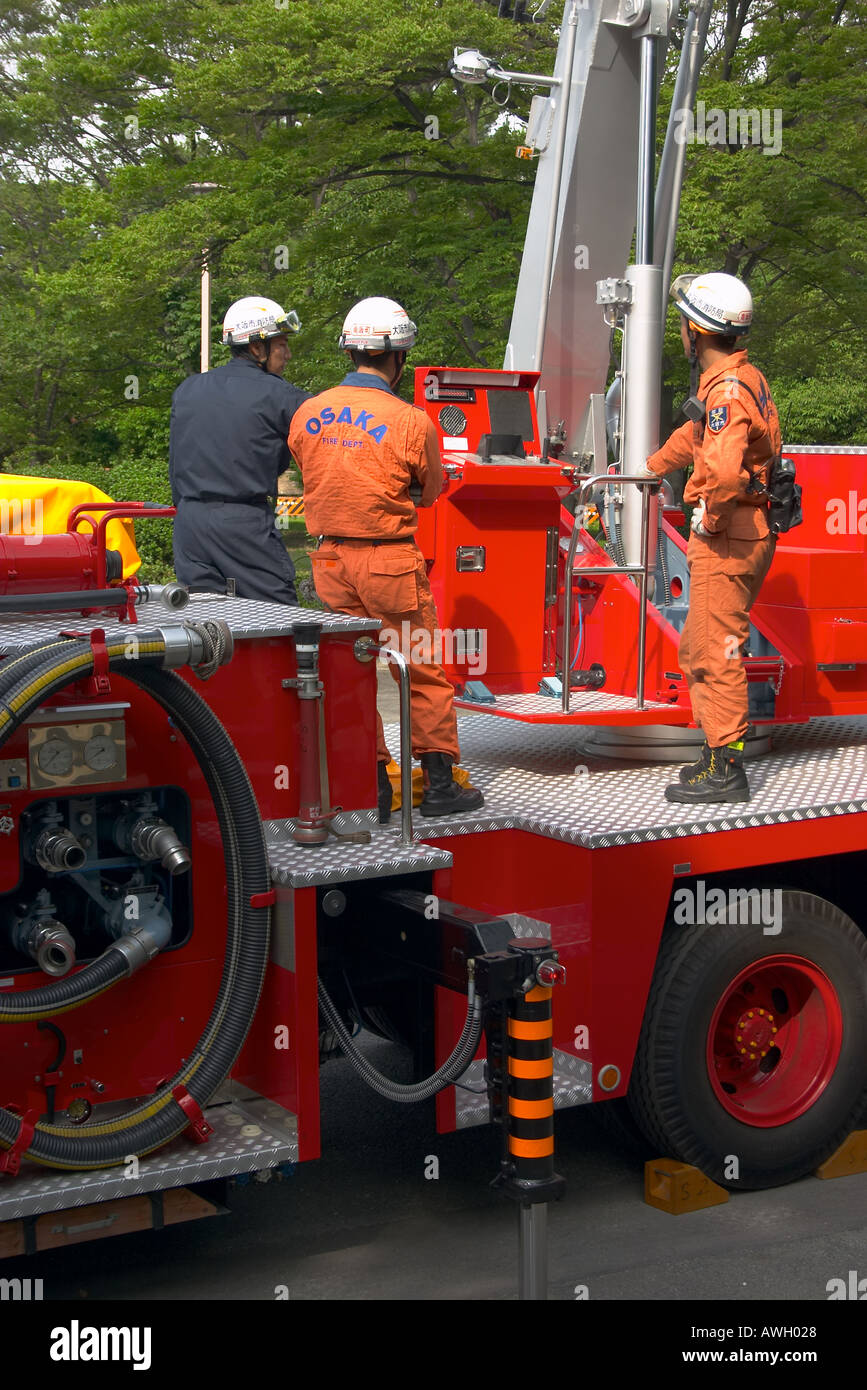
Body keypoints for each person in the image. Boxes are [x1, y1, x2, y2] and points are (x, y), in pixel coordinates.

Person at [288, 296, 484, 821]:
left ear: (351, 351)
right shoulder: (411, 421)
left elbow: (307, 471)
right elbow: (429, 493)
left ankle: (371, 785)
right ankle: (440, 784)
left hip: (330, 562)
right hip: (390, 564)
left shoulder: (307, 412)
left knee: (350, 673)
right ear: (397, 356)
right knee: (418, 669)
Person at [644, 272, 780, 805]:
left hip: (729, 537)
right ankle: (717, 753)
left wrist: (711, 520)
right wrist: (648, 466)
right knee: (703, 644)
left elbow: (723, 474)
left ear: (696, 331)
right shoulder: (739, 379)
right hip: (745, 531)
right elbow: (696, 437)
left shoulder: (723, 389)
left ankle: (727, 768)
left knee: (716, 650)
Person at [170, 296, 310, 603]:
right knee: (280, 620)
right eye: (282, 344)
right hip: (243, 522)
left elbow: (176, 464)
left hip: (189, 523)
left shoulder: (188, 389)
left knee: (205, 627)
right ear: (257, 348)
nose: (287, 354)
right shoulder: (284, 396)